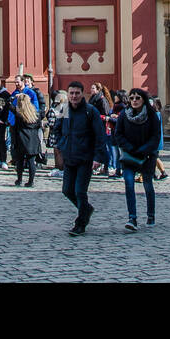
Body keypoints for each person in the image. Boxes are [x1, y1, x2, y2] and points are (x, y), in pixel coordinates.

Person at [54, 81, 107, 236]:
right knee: (67, 190)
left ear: (82, 94)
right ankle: (87, 209)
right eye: (71, 93)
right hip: (69, 156)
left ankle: (80, 223)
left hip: (85, 157)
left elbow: (100, 135)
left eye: (77, 93)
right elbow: (56, 128)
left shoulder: (90, 111)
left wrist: (98, 157)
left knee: (79, 192)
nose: (74, 96)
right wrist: (62, 144)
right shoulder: (63, 109)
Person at [113, 88, 161, 231]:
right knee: (128, 183)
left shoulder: (152, 115)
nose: (134, 100)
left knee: (147, 184)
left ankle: (150, 214)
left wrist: (144, 150)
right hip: (130, 154)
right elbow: (118, 134)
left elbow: (155, 136)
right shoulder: (124, 115)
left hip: (147, 155)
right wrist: (130, 148)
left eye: (137, 98)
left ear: (143, 99)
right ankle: (132, 218)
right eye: (132, 98)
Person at [10, 86, 42, 187]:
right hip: (33, 140)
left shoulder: (19, 115)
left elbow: (8, 104)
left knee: (20, 161)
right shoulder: (36, 115)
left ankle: (19, 180)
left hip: (21, 140)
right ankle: (31, 181)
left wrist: (14, 98)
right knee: (31, 162)